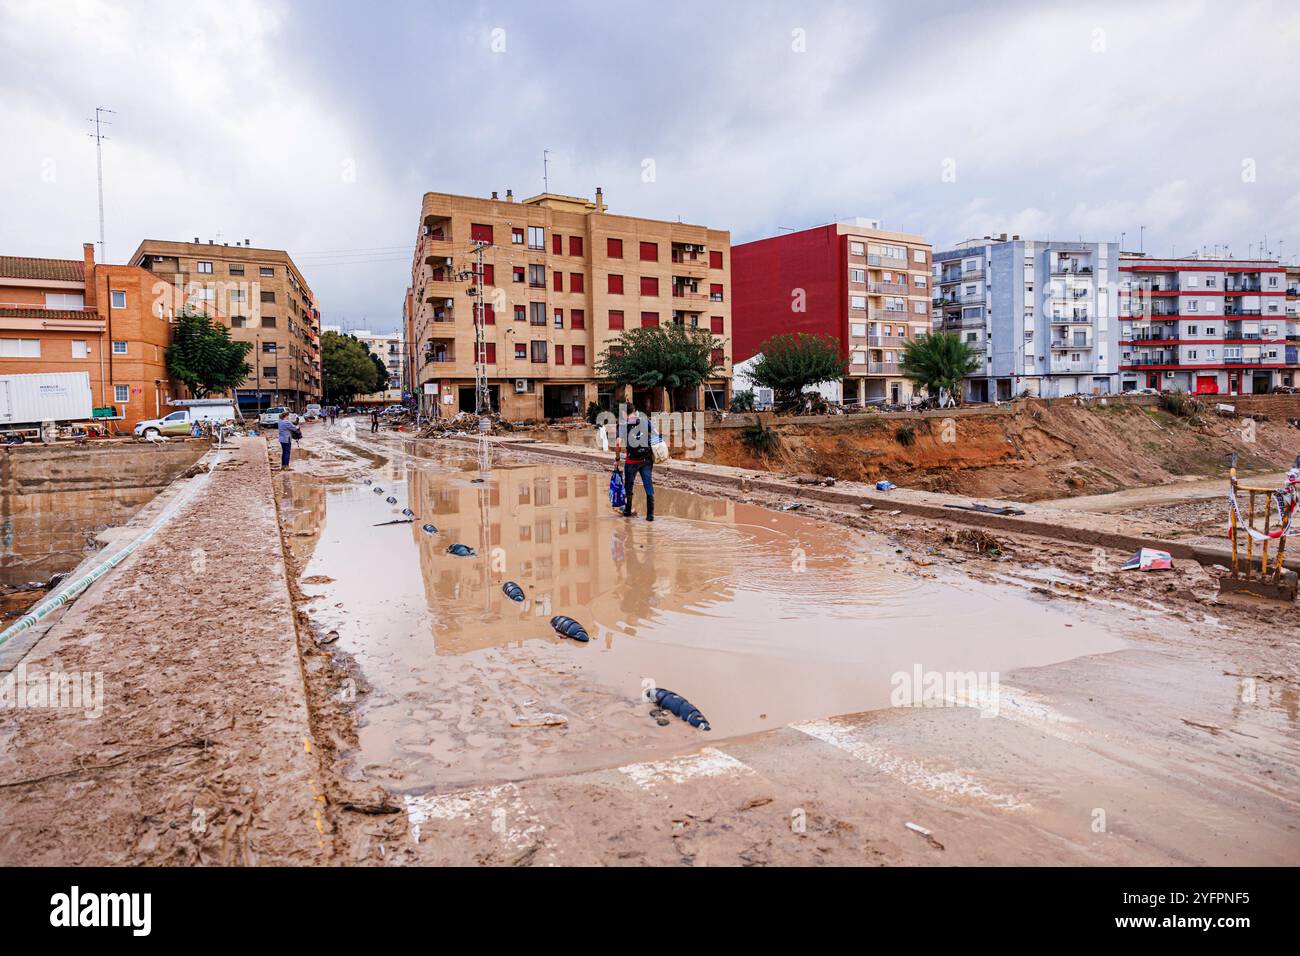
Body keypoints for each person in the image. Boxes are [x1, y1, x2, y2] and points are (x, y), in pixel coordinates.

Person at [615, 405, 654, 521]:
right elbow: (656, 434)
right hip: (646, 459)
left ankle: (627, 512)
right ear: (635, 411)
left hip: (631, 461)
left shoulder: (623, 425)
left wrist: (617, 458)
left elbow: (618, 443)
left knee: (629, 486)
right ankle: (650, 516)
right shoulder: (644, 421)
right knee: (648, 485)